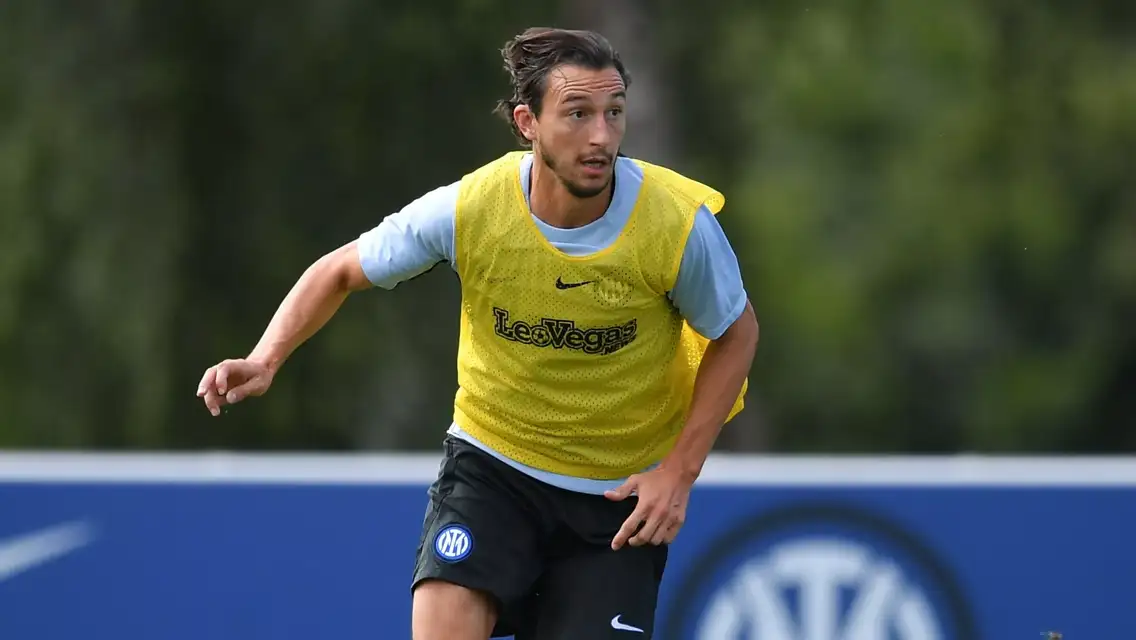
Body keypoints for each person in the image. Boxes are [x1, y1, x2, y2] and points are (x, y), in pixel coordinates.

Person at [196, 27, 758, 640]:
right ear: (527, 122)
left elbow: (736, 333)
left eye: (614, 112)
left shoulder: (675, 225)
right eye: (577, 113)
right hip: (491, 472)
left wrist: (678, 473)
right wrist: (266, 359)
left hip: (613, 501)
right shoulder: (472, 208)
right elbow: (338, 271)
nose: (601, 136)